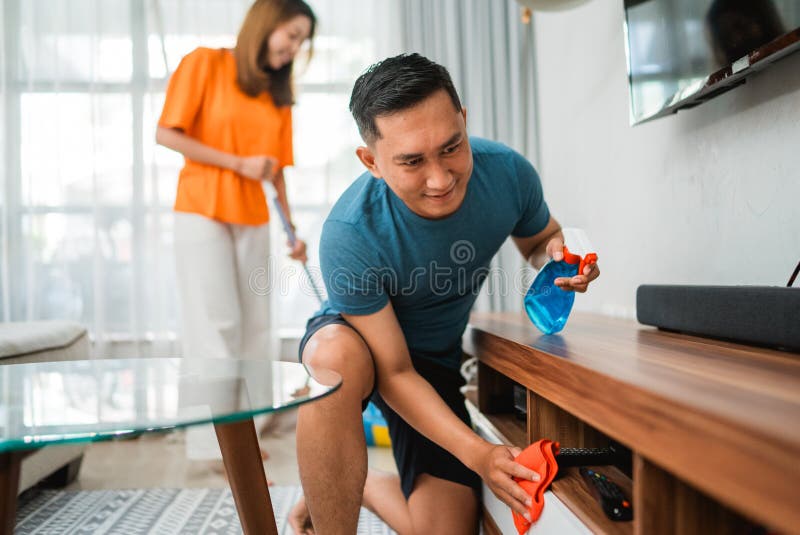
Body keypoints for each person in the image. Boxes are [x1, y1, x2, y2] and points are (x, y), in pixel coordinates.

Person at [290, 53, 600, 534]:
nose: (440, 179)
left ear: (464, 122)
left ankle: (356, 482)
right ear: (371, 161)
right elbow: (393, 371)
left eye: (451, 147)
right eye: (412, 161)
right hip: (360, 341)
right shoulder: (349, 232)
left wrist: (559, 259)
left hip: (431, 364)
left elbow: (540, 240)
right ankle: (332, 500)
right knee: (337, 358)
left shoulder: (508, 174)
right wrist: (479, 454)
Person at [155, 0, 315, 463]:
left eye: (303, 41)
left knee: (255, 329)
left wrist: (293, 231)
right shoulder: (205, 63)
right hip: (202, 209)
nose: (295, 47)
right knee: (216, 326)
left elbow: (276, 171)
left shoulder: (278, 94)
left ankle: (248, 436)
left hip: (253, 215)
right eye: (292, 35)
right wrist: (238, 164)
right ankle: (213, 447)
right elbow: (166, 133)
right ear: (266, 23)